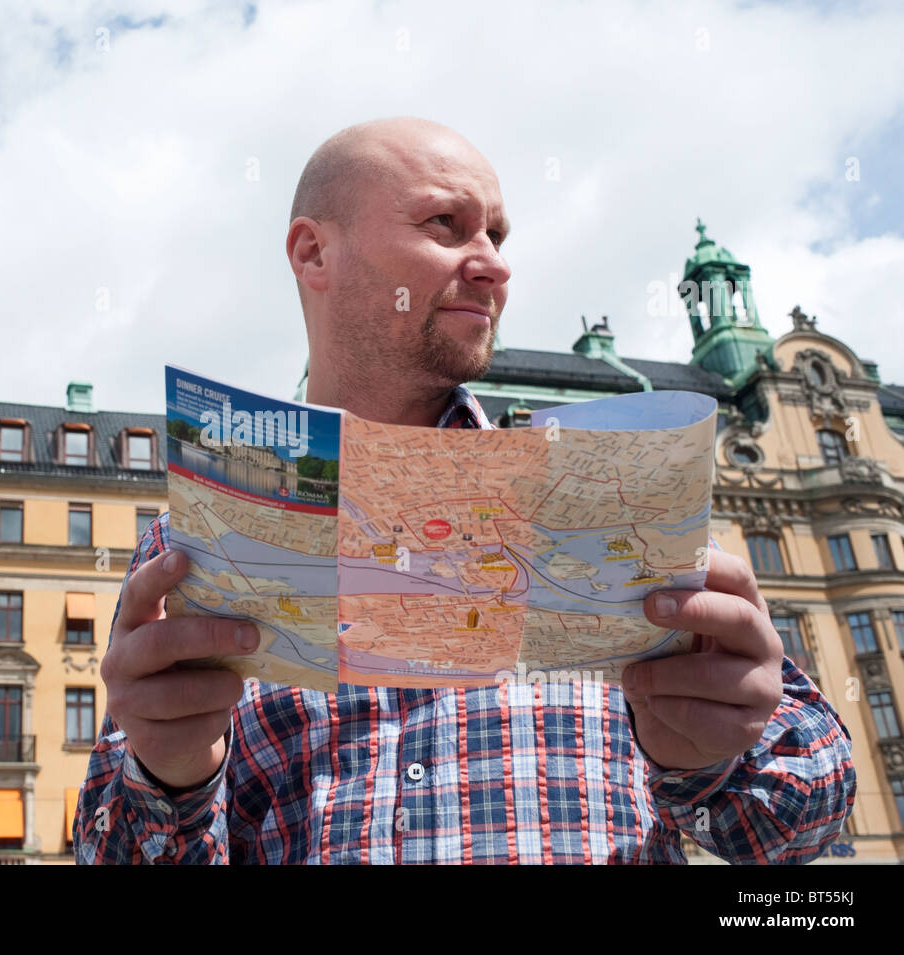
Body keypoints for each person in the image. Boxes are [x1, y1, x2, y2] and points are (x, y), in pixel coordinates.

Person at [73, 116, 856, 864]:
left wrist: (718, 761)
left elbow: (808, 822)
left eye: (498, 234)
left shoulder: (609, 493)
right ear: (313, 253)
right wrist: (170, 777)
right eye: (446, 224)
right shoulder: (196, 543)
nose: (494, 263)